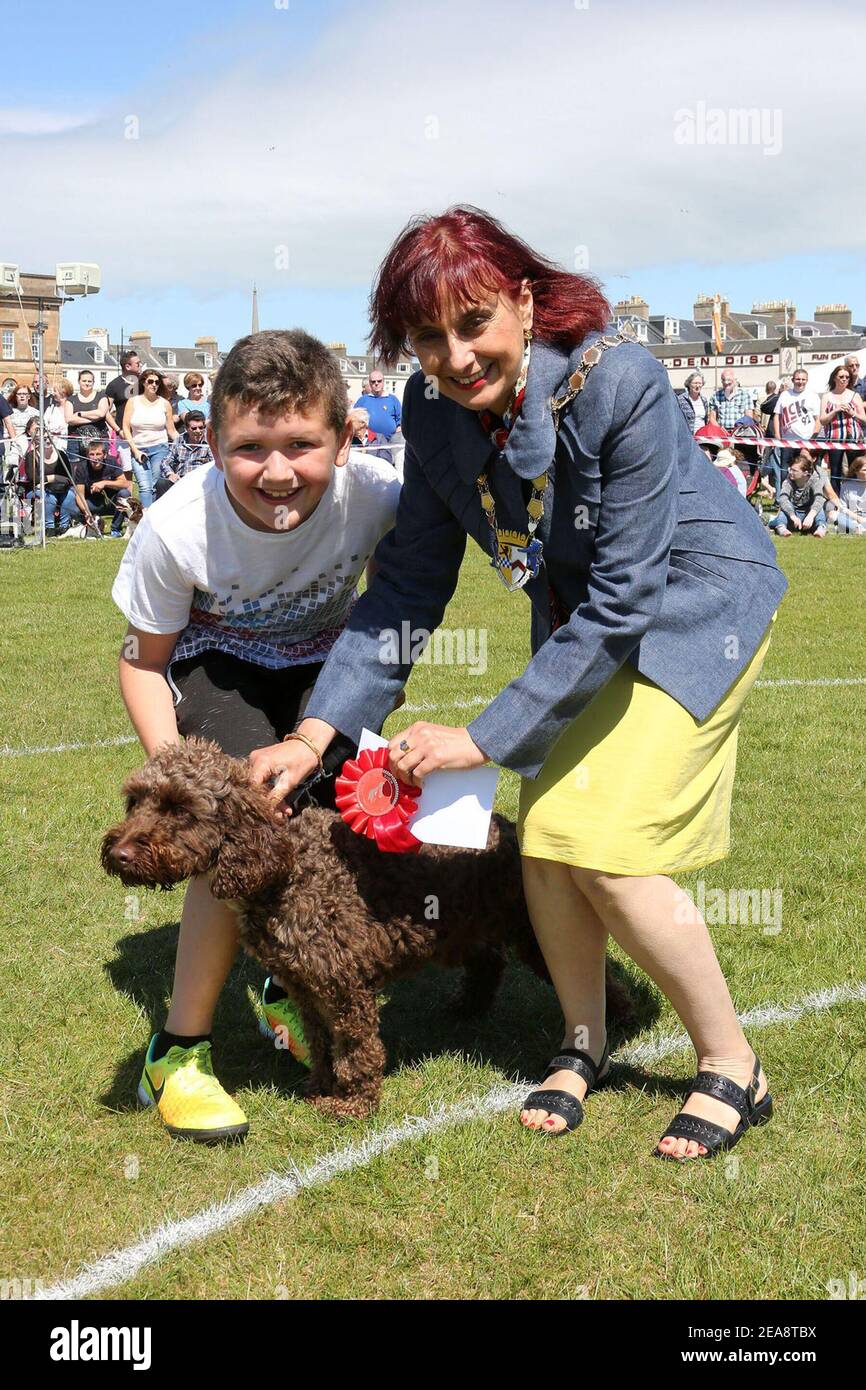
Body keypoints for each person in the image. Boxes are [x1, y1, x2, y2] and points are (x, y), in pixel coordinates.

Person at [249, 206, 787, 1163]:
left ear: (527, 304)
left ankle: (732, 1063)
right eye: (426, 337)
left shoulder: (624, 382)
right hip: (585, 626)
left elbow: (625, 599)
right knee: (543, 843)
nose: (454, 357)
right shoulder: (428, 412)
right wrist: (316, 733)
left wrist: (484, 738)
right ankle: (583, 1043)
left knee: (604, 846)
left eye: (474, 322)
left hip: (696, 607)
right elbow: (409, 581)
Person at [111, 329, 402, 1142]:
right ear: (210, 444)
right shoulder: (176, 530)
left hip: (330, 669)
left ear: (347, 439)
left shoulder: (379, 496)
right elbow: (141, 664)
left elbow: (398, 608)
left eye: (302, 445)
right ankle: (179, 1051)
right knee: (231, 832)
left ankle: (292, 977)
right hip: (220, 662)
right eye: (250, 449)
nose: (277, 472)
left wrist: (338, 719)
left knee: (338, 828)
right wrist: (179, 777)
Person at [122, 369, 177, 508]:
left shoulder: (164, 403)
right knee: (145, 487)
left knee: (156, 484)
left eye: (157, 382)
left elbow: (171, 431)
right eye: (150, 381)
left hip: (160, 448)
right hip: (138, 449)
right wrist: (135, 451)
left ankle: (153, 518)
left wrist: (188, 442)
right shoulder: (132, 402)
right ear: (143, 383)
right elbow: (126, 429)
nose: (154, 385)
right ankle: (146, 519)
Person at [59, 437, 132, 537]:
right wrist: (86, 512)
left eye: (98, 454)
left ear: (104, 455)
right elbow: (80, 495)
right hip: (92, 504)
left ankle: (115, 529)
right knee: (73, 506)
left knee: (124, 494)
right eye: (91, 454)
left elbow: (125, 483)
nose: (95, 458)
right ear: (87, 455)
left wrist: (105, 483)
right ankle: (84, 526)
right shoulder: (81, 468)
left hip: (111, 503)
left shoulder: (112, 463)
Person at [817, 365, 865, 498]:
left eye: (847, 377)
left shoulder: (855, 396)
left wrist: (853, 413)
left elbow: (864, 419)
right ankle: (836, 501)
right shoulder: (827, 396)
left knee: (855, 470)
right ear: (834, 378)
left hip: (854, 438)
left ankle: (856, 499)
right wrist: (835, 410)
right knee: (836, 472)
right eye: (841, 377)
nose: (844, 380)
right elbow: (822, 420)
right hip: (834, 438)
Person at [153, 410, 214, 499]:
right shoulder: (179, 440)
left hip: (200, 482)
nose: (198, 431)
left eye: (201, 427)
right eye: (194, 428)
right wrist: (170, 474)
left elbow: (214, 464)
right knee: (161, 483)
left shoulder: (209, 441)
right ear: (186, 428)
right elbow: (165, 462)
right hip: (179, 481)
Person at [772, 367, 821, 474]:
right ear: (793, 380)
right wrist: (777, 435)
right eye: (798, 379)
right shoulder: (785, 395)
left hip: (805, 441)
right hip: (787, 442)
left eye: (803, 379)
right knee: (786, 473)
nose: (800, 382)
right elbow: (777, 415)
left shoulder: (813, 396)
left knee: (805, 473)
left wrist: (811, 440)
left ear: (807, 381)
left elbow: (818, 420)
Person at [768, 449, 827, 537]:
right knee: (784, 511)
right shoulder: (788, 481)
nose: (791, 472)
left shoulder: (814, 480)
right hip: (794, 515)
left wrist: (811, 516)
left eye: (794, 471)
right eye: (790, 469)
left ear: (805, 473)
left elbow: (819, 498)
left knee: (819, 509)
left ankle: (821, 528)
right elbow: (783, 498)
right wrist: (792, 515)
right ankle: (781, 527)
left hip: (809, 515)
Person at [65, 369, 110, 472]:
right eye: (84, 381)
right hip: (76, 440)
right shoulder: (71, 399)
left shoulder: (101, 396)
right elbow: (69, 419)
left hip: (99, 438)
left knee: (100, 470)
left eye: (89, 381)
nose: (87, 383)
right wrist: (94, 417)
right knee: (76, 472)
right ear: (79, 381)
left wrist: (80, 414)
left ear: (93, 382)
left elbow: (102, 413)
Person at [354, 368, 401, 464]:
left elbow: (400, 423)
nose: (376, 383)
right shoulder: (363, 400)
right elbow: (354, 421)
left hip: (391, 445)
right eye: (373, 381)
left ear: (383, 382)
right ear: (370, 383)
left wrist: (395, 439)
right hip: (370, 445)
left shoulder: (393, 399)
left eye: (379, 381)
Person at [105, 350, 142, 472]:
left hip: (143, 432)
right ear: (127, 366)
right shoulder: (114, 385)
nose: (140, 365)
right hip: (124, 435)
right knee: (127, 471)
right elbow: (106, 412)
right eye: (137, 363)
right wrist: (118, 430)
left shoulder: (145, 382)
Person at [8, 384, 39, 470]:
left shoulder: (36, 413)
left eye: (25, 394)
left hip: (31, 445)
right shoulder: (9, 413)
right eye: (19, 394)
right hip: (14, 444)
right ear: (15, 396)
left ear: (29, 396)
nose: (22, 396)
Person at [836, 451, 866, 534]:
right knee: (833, 515)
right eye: (865, 470)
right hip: (852, 518)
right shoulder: (846, 485)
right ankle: (855, 528)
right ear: (856, 471)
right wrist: (858, 518)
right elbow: (843, 508)